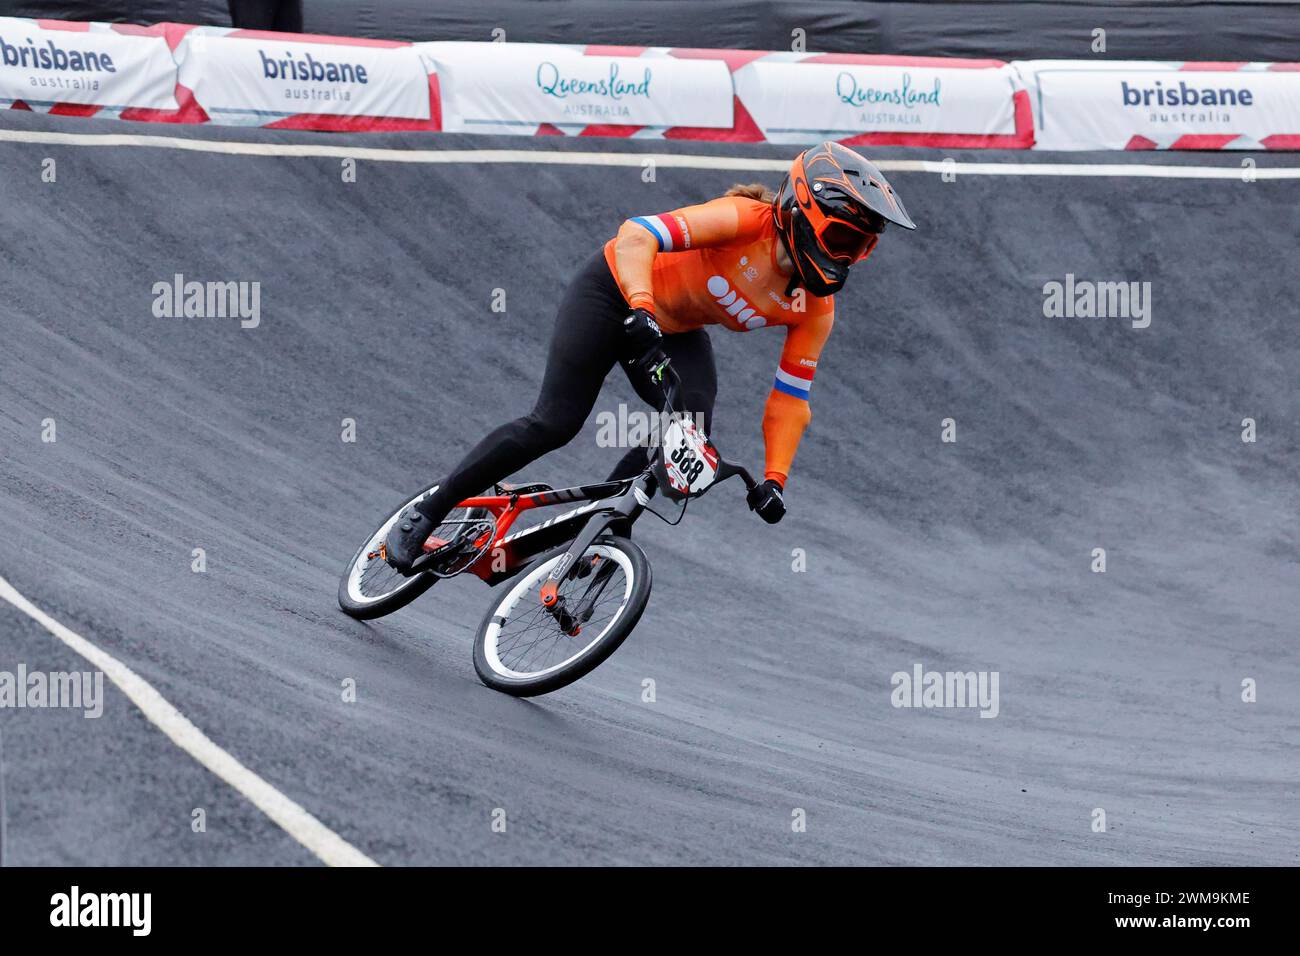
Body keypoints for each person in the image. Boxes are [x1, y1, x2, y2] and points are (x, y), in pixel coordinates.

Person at [385, 141, 916, 574]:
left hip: (674, 328)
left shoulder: (815, 308)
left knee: (691, 431)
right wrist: (640, 307)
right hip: (615, 291)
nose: (848, 257)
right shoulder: (741, 220)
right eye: (845, 238)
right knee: (555, 422)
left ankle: (602, 528)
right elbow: (638, 233)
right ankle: (427, 513)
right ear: (802, 210)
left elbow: (791, 399)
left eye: (861, 249)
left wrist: (775, 478)